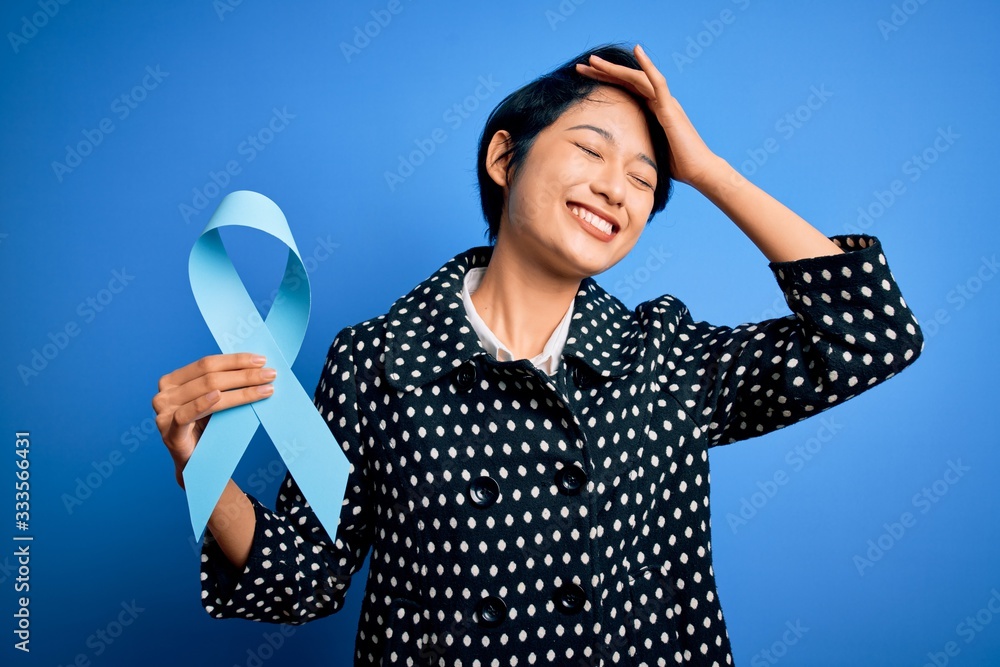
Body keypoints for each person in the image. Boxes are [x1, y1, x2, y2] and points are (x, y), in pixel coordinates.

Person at [152, 43, 924, 666]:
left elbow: (870, 334)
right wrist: (202, 466)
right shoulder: (375, 363)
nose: (616, 189)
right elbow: (301, 579)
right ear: (502, 158)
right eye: (591, 149)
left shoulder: (664, 357)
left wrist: (707, 170)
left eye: (646, 180)